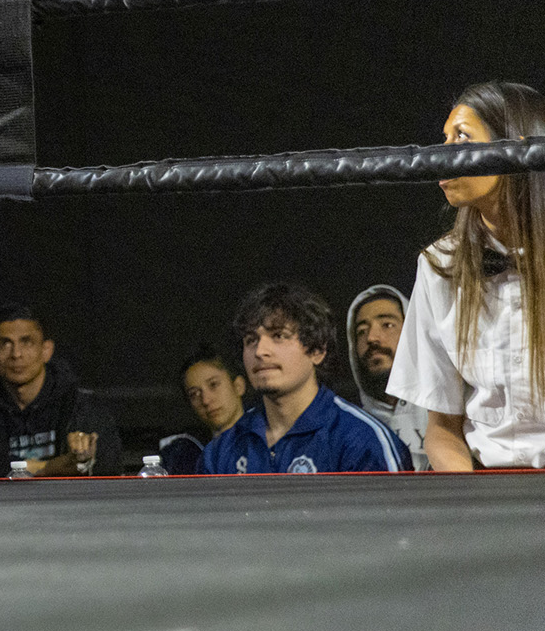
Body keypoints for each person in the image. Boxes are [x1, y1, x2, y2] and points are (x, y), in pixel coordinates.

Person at [390, 81, 545, 469]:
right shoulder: (440, 265)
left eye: (461, 136)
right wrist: (471, 500)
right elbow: (442, 429)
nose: (443, 154)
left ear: (518, 147)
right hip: (485, 485)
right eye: (444, 139)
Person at [203, 283, 406, 474]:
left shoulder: (362, 440)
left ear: (317, 351)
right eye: (251, 340)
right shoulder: (220, 451)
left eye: (278, 336)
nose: (260, 351)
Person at [0, 306, 122, 476]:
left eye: (26, 342)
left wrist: (84, 460)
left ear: (46, 350)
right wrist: (51, 467)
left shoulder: (83, 408)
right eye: (5, 344)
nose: (16, 354)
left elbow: (110, 473)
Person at [348, 286, 431, 470]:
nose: (371, 338)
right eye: (361, 331)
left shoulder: (448, 411)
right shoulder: (348, 428)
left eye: (387, 325)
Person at [156, 347, 248, 475]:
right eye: (194, 394)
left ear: (238, 386)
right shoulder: (182, 455)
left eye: (213, 385)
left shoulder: (266, 440)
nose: (205, 400)